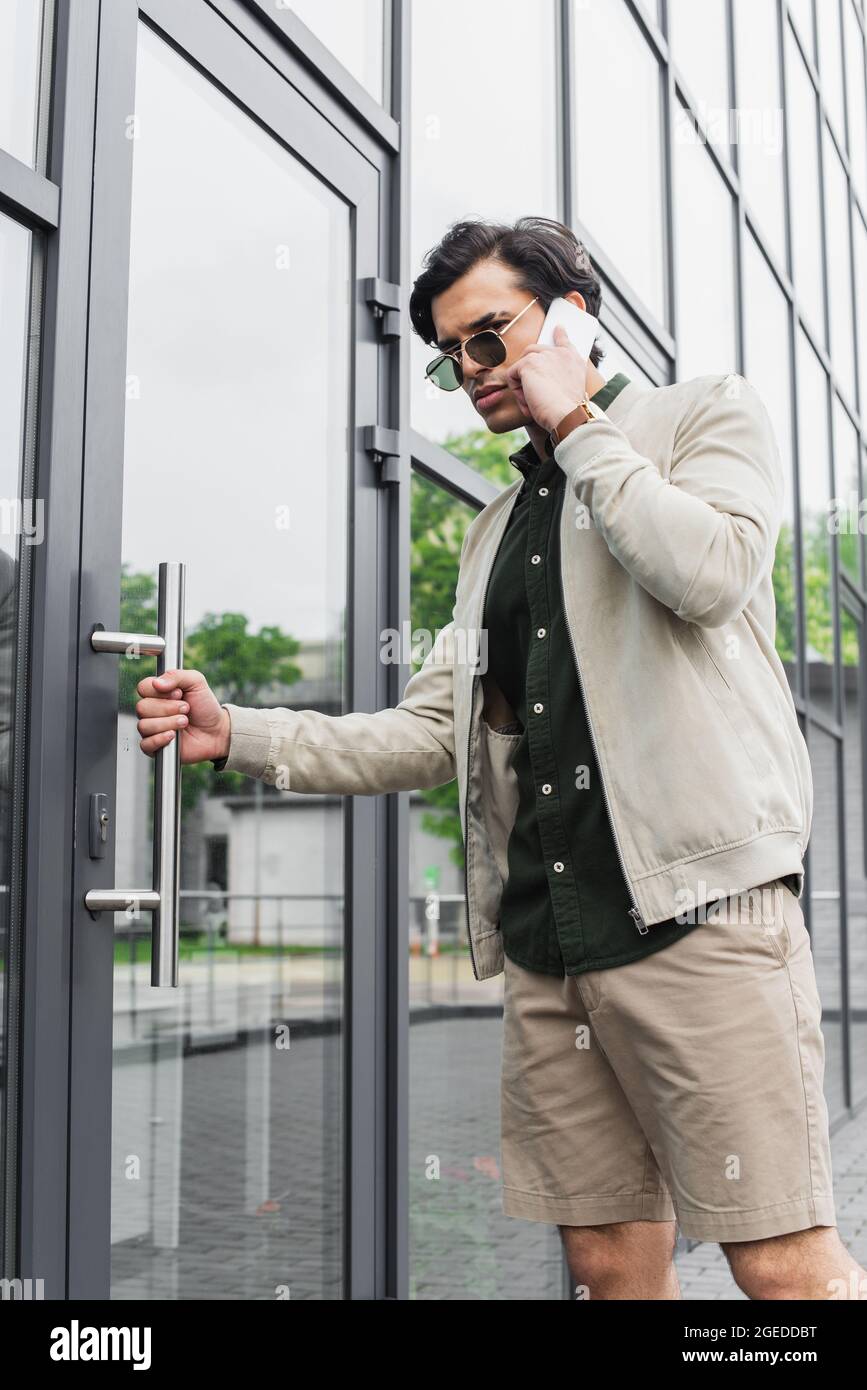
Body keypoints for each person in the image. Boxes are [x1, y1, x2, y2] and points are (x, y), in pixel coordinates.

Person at [136, 215, 866, 1300]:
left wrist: (577, 422)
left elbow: (710, 572)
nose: (471, 372)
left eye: (490, 337)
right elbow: (433, 730)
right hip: (550, 945)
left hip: (703, 921)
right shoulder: (494, 531)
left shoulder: (701, 414)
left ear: (573, 313)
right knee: (609, 1263)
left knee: (780, 1260)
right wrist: (241, 732)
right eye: (450, 356)